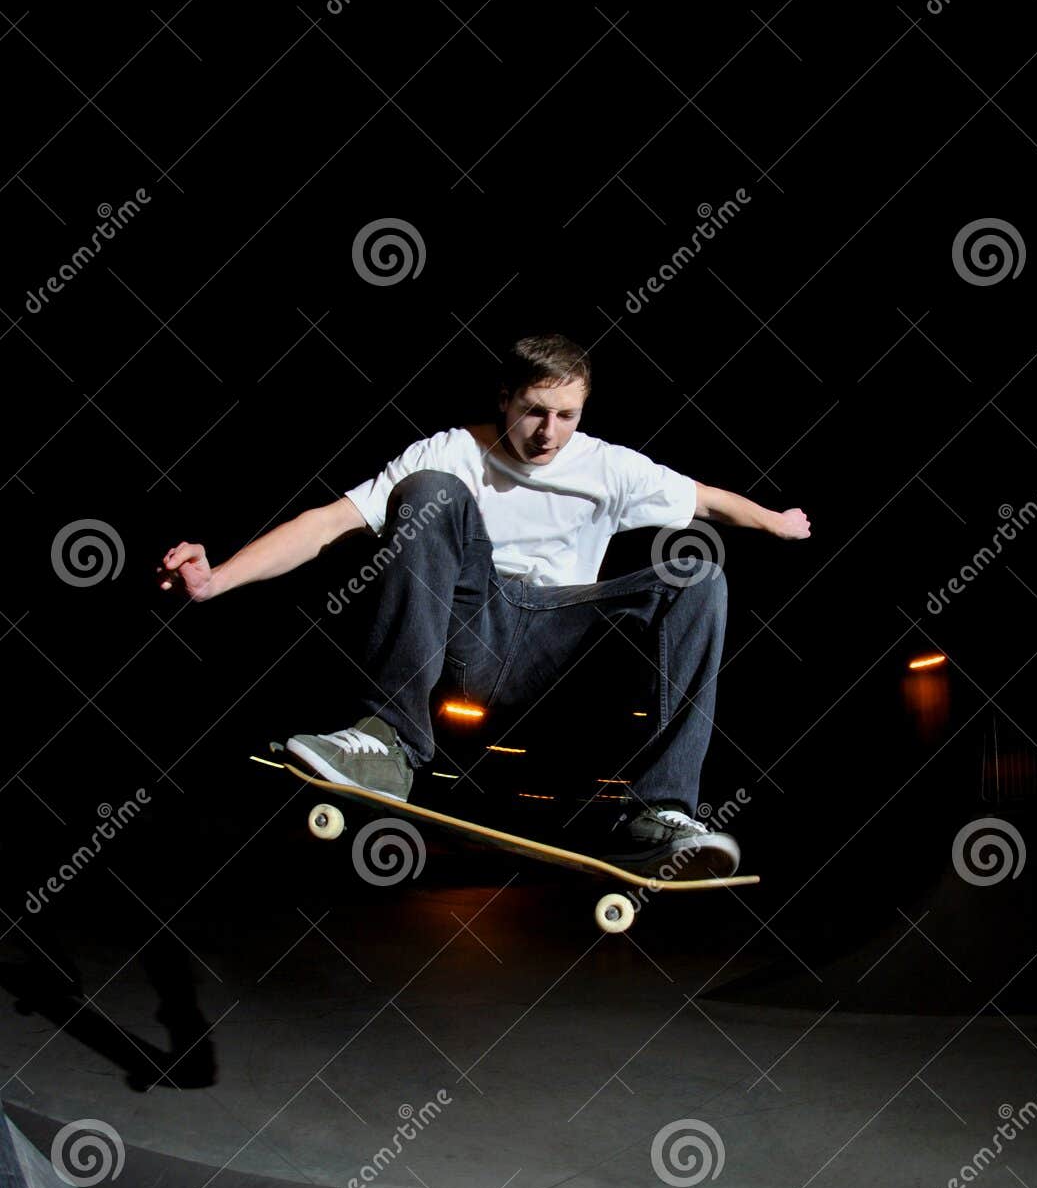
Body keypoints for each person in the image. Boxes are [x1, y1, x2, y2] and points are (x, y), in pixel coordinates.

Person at [158, 333, 810, 875]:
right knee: (432, 490)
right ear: (504, 399)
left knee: (696, 575)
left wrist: (776, 521)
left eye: (566, 416)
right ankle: (387, 745)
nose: (548, 433)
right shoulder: (454, 449)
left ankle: (662, 809)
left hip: (560, 644)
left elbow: (707, 499)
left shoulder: (610, 467)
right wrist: (218, 579)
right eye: (533, 412)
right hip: (477, 625)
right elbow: (329, 523)